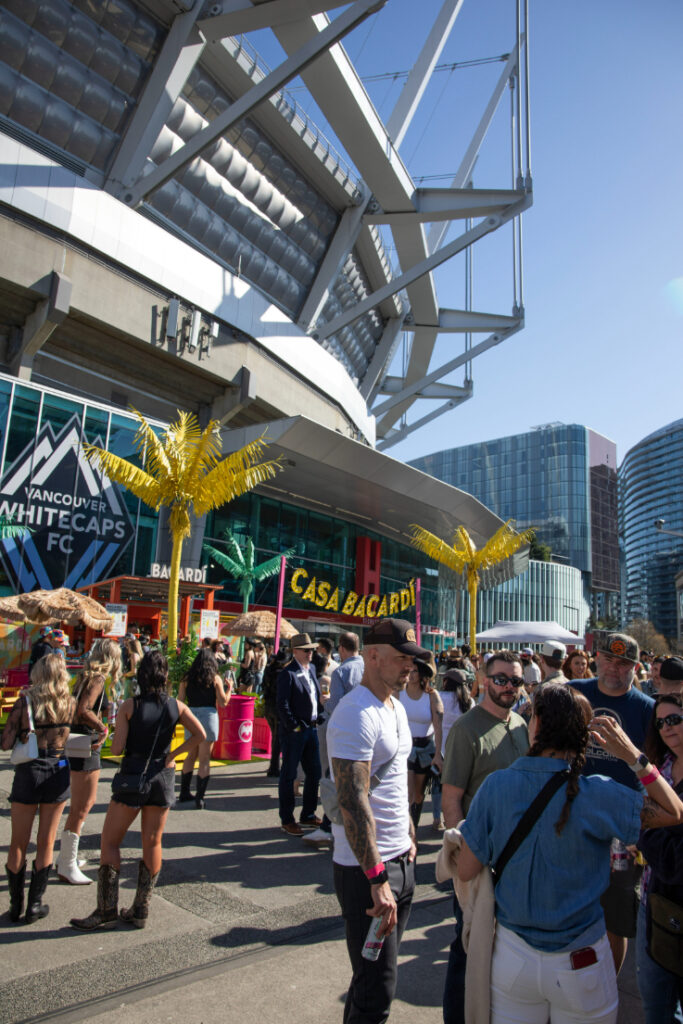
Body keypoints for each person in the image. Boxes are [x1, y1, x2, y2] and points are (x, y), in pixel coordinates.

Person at [456, 683, 683, 1024]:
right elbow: (674, 811)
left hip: (513, 955)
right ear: (582, 736)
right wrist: (633, 757)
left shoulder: (496, 786)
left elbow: (465, 869)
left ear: (536, 726)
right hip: (582, 959)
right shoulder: (598, 794)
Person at [327, 617, 427, 1024]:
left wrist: (409, 833)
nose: (409, 667)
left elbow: (395, 782)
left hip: (399, 861)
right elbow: (352, 802)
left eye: (412, 660)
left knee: (367, 980)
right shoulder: (355, 713)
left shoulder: (395, 706)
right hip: (367, 874)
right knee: (377, 992)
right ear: (372, 655)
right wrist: (377, 878)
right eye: (401, 658)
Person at [70, 651, 205, 931]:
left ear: (142, 675)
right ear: (165, 676)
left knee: (109, 841)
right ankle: (141, 908)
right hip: (162, 777)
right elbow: (201, 735)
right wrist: (173, 755)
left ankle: (106, 908)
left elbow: (117, 749)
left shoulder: (130, 706)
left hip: (133, 775)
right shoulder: (176, 706)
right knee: (152, 843)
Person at [441, 649, 529, 1024]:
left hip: (515, 862)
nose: (509, 687)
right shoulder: (466, 729)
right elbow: (451, 799)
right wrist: (464, 858)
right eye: (501, 679)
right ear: (483, 679)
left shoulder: (521, 725)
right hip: (479, 861)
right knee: (467, 946)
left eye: (516, 681)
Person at [569, 630, 655, 973]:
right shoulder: (574, 694)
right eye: (608, 659)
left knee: (615, 916)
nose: (615, 669)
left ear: (635, 668)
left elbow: (655, 772)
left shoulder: (647, 710)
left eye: (624, 664)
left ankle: (609, 985)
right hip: (571, 818)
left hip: (623, 829)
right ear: (597, 659)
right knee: (570, 904)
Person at [2, 654, 75, 924]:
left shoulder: (25, 702)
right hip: (58, 770)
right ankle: (35, 904)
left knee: (18, 841)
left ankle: (15, 905)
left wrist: (22, 733)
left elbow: (6, 742)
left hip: (29, 772)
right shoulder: (70, 702)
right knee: (46, 840)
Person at [57, 637, 122, 885]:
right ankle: (66, 863)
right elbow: (83, 709)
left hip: (77, 743)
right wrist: (102, 727)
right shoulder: (97, 679)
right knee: (83, 806)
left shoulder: (86, 676)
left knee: (77, 806)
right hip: (86, 744)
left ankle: (67, 857)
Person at [635, 692, 683, 1024]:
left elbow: (672, 859)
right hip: (652, 901)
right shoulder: (662, 766)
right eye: (661, 722)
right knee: (655, 1005)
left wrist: (649, 834)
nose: (667, 727)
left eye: (675, 719)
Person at [304, 630, 364, 847]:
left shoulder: (342, 671)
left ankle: (330, 825)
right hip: (365, 729)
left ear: (341, 648)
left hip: (343, 729)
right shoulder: (367, 668)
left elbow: (336, 707)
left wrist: (324, 701)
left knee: (334, 776)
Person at [276, 633, 324, 836]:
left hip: (311, 728)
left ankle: (308, 813)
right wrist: (294, 725)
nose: (310, 653)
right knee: (289, 774)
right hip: (296, 731)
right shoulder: (288, 673)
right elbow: (282, 704)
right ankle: (287, 819)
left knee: (314, 773)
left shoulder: (310, 668)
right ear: (295, 652)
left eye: (311, 649)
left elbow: (314, 696)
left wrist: (319, 714)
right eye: (306, 650)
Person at [177, 648, 230, 808]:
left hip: (191, 714)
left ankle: (184, 792)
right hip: (209, 715)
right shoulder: (215, 678)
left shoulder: (186, 678)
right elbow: (223, 702)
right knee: (205, 758)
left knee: (191, 754)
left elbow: (180, 700)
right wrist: (230, 688)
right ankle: (200, 797)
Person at [399, 657, 443, 831]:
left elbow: (438, 727)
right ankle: (405, 832)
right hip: (404, 748)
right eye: (409, 670)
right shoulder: (398, 692)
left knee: (418, 794)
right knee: (408, 794)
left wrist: (438, 754)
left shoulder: (431, 695)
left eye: (415, 671)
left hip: (425, 749)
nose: (411, 674)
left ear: (422, 674)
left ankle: (413, 828)